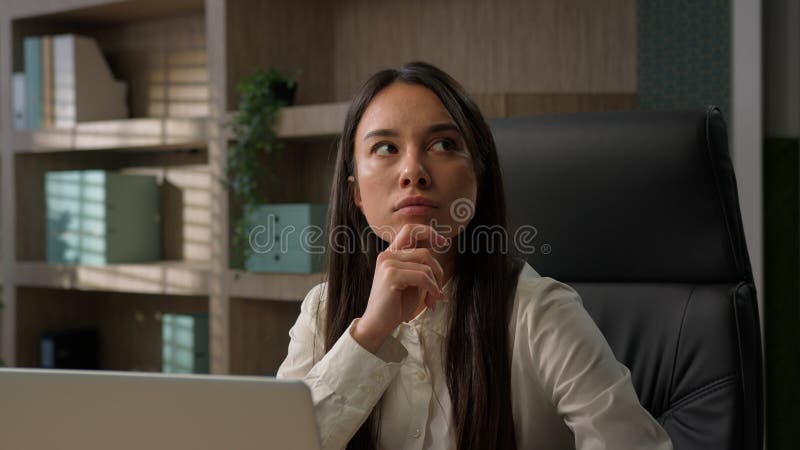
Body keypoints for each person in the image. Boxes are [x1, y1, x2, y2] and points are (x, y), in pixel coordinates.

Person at [276, 61, 673, 450]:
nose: (413, 171)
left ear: (479, 177)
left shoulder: (538, 313)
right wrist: (368, 336)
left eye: (443, 144)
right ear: (356, 194)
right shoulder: (322, 311)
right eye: (385, 147)